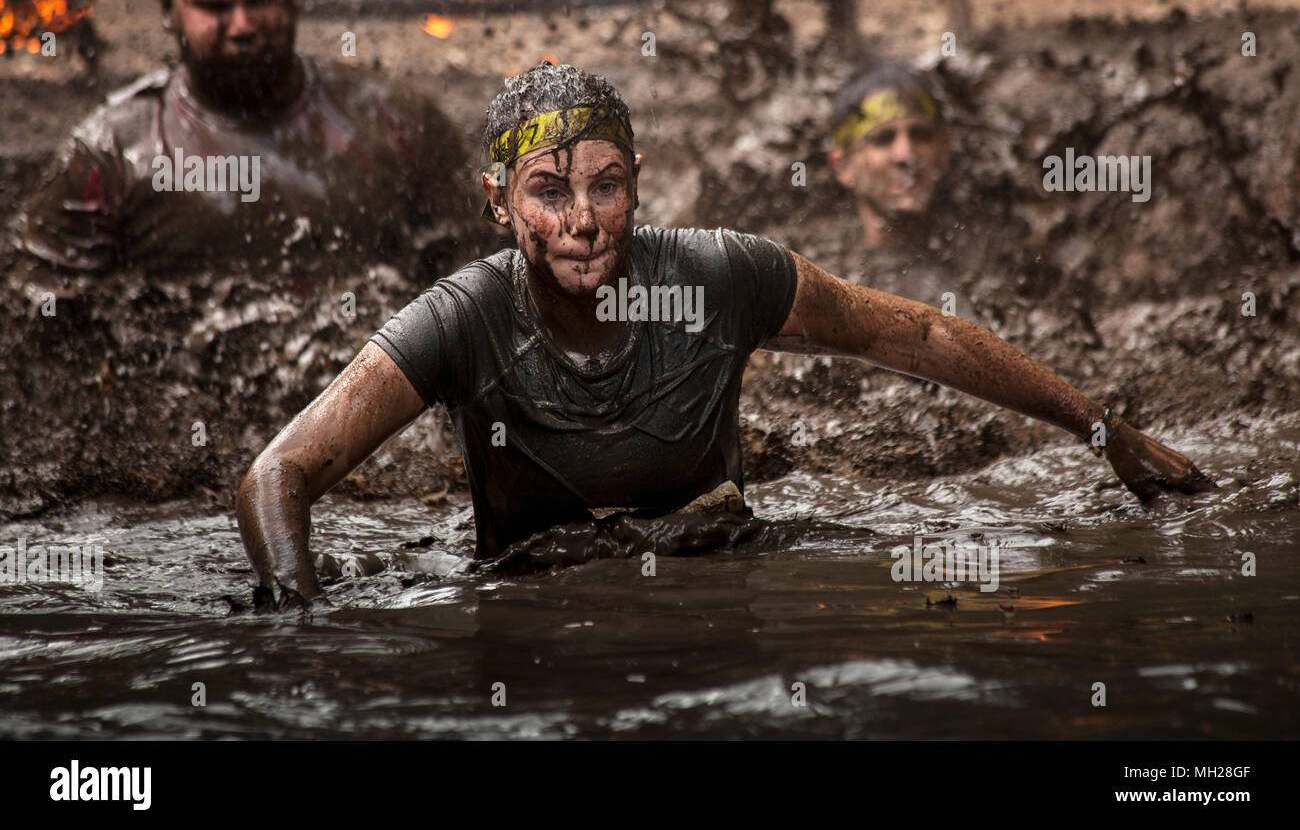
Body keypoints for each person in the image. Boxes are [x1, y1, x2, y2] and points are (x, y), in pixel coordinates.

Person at [236, 62, 1215, 606]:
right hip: (530, 594)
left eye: (605, 185)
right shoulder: (463, 316)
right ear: (497, 202)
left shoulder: (720, 272)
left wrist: (1100, 428)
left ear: (638, 183)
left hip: (721, 567)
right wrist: (302, 623)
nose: (581, 219)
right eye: (548, 190)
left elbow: (916, 332)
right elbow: (276, 474)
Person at [7, 0, 478, 286]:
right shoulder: (112, 155)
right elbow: (42, 343)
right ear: (169, 9)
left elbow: (482, 281)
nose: (242, 26)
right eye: (215, 6)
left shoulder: (394, 122)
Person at [828, 64, 952, 250]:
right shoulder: (817, 267)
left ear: (943, 152)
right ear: (843, 166)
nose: (906, 155)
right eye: (883, 139)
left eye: (920, 135)